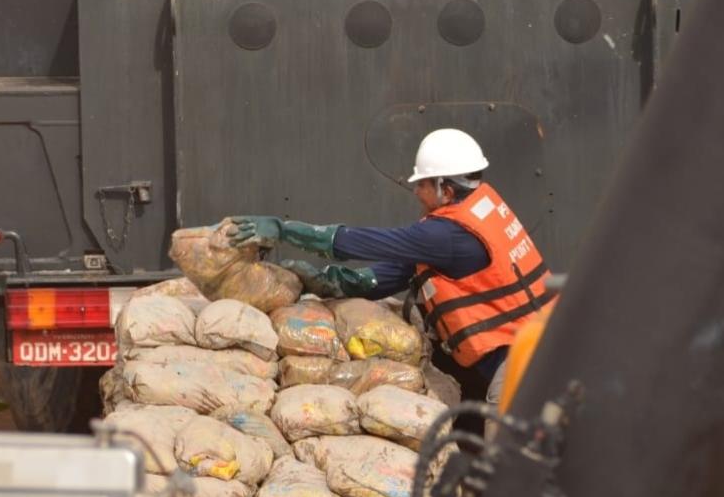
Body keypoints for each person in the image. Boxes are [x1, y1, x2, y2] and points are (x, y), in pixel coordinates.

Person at [229, 128, 553, 408]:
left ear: (445, 188)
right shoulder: (478, 211)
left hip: (524, 365)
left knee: (510, 466)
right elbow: (402, 272)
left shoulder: (447, 235)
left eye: (422, 183)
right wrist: (334, 283)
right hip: (544, 345)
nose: (416, 191)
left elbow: (364, 242)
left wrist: (284, 230)